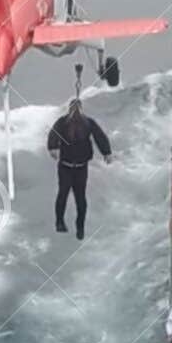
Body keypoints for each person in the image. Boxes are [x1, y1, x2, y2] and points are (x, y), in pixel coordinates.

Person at [47, 98, 111, 239]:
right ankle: (59, 222)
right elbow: (53, 134)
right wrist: (53, 147)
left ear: (81, 109)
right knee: (63, 194)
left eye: (78, 107)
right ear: (69, 109)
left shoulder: (88, 123)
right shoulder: (62, 122)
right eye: (72, 107)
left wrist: (106, 151)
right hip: (65, 166)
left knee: (80, 198)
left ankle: (80, 227)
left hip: (81, 167)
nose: (75, 110)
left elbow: (99, 136)